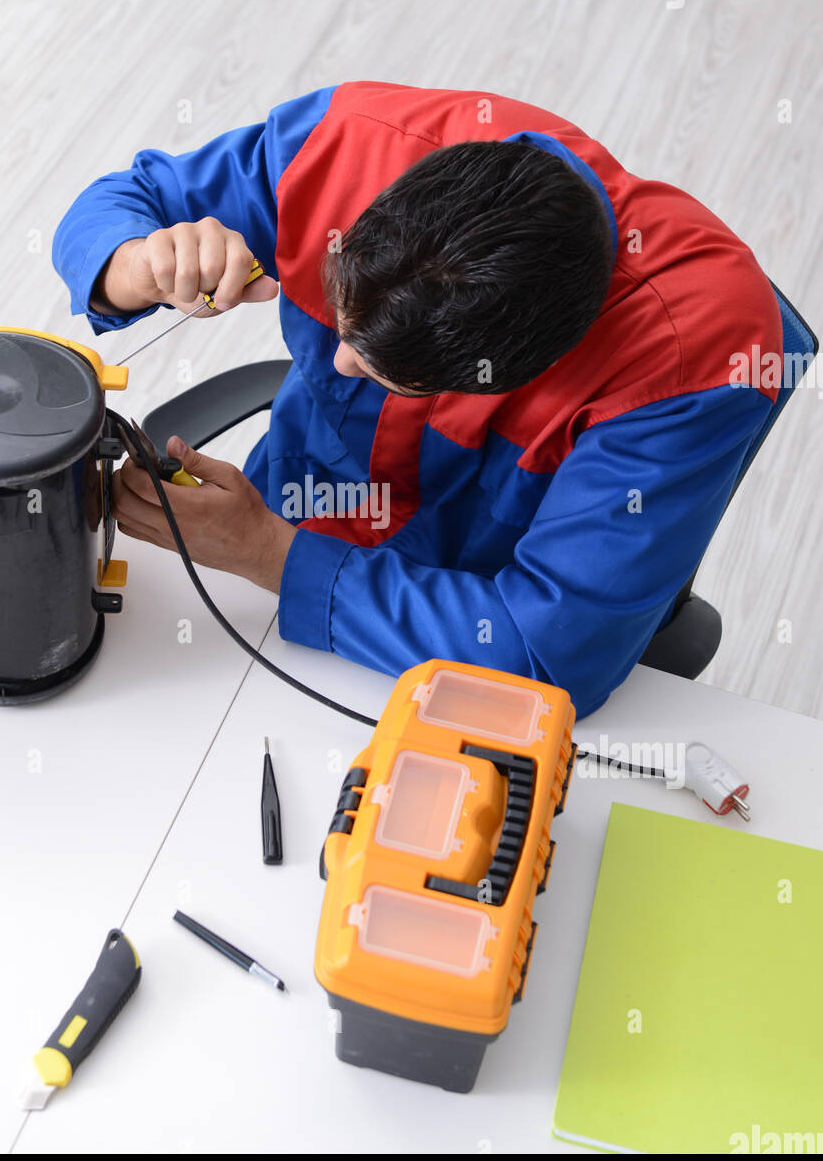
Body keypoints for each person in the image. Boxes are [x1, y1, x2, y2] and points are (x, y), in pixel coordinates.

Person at [52, 80, 781, 717]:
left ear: (510, 373)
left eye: (378, 371)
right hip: (287, 512)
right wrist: (133, 263)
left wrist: (269, 555)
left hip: (452, 626)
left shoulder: (696, 362)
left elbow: (547, 653)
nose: (333, 360)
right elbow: (124, 199)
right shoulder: (346, 148)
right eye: (341, 322)